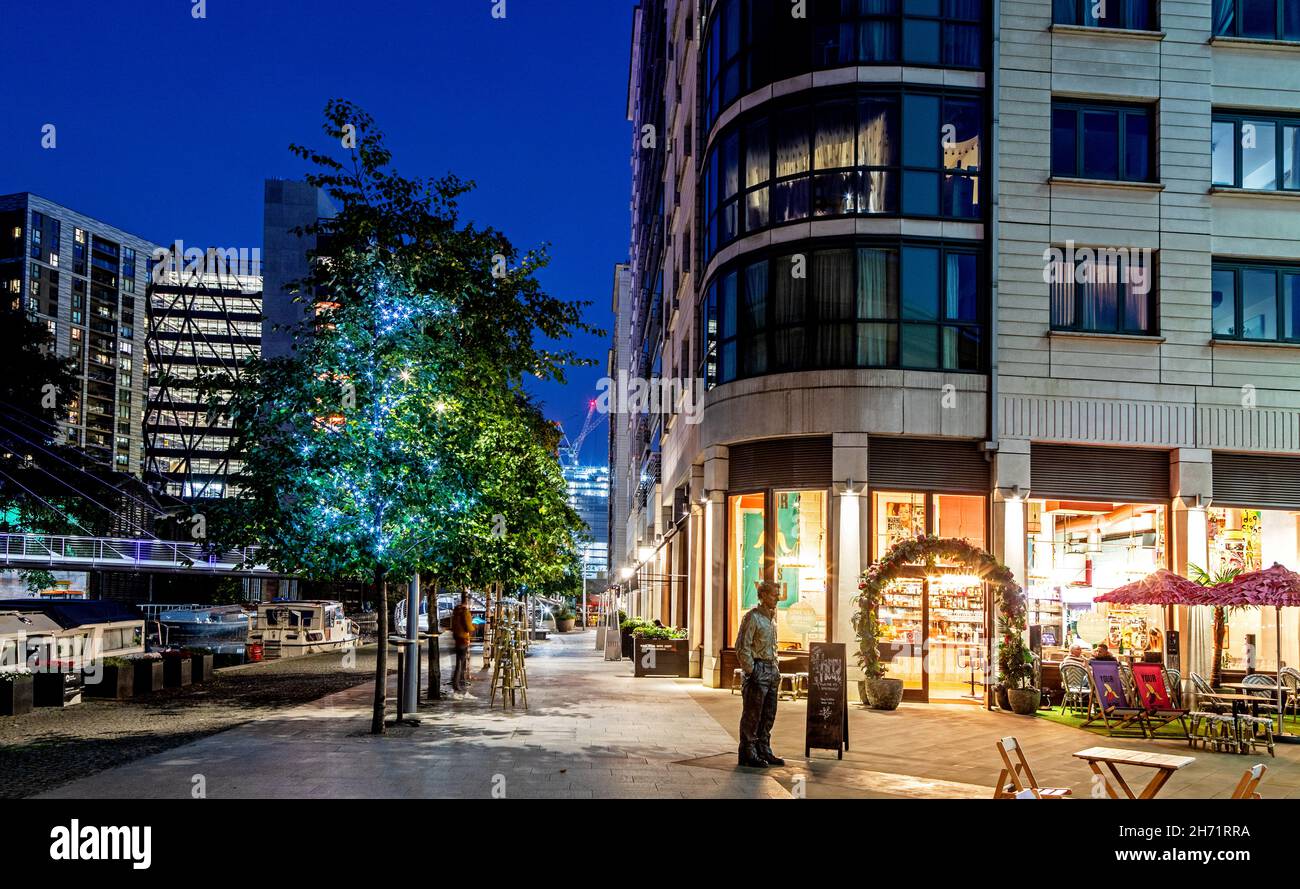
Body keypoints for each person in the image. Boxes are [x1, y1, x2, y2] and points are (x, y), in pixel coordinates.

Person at [735, 580, 784, 768]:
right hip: (759, 669)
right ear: (763, 596)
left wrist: (775, 668)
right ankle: (748, 752)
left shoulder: (771, 619)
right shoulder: (752, 617)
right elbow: (742, 647)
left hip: (771, 671)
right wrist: (752, 671)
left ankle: (764, 749)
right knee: (752, 715)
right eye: (774, 594)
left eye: (778, 594)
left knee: (768, 714)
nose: (777, 598)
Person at [451, 592, 475, 699]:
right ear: (468, 602)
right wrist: (474, 627)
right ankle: (458, 684)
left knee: (458, 663)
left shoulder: (456, 612)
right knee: (461, 663)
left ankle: (457, 683)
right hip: (464, 639)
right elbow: (469, 627)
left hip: (457, 638)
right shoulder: (465, 612)